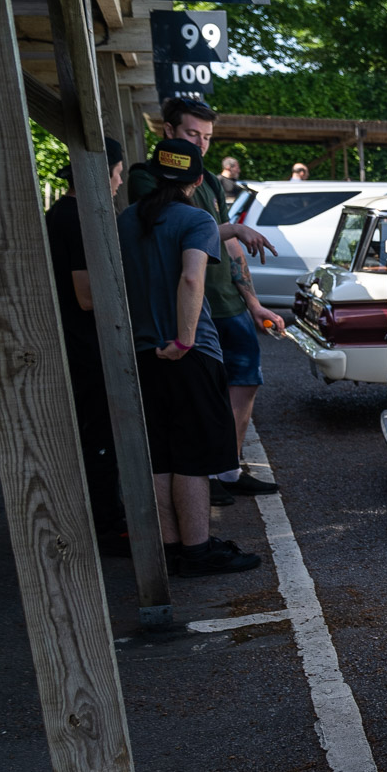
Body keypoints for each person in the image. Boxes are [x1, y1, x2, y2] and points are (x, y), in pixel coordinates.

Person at [128, 97, 285, 502]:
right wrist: (230, 228)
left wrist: (253, 302)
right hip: (189, 307)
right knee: (199, 397)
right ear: (168, 131)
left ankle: (228, 469)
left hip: (228, 303)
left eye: (207, 137)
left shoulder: (210, 181)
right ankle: (205, 474)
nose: (200, 144)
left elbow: (233, 245)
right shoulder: (147, 177)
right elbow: (171, 237)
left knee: (245, 382)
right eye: (191, 134)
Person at [116, 140, 261, 577]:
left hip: (140, 354)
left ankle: (173, 547)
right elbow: (192, 276)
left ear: (154, 175)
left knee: (160, 455)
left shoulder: (126, 220)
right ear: (198, 180)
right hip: (188, 354)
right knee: (193, 457)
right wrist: (182, 339)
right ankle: (198, 550)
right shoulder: (196, 218)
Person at [44, 138, 130, 556]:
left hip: (77, 344)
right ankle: (108, 528)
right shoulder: (76, 218)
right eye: (116, 173)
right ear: (101, 173)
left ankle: (105, 519)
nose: (118, 183)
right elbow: (87, 296)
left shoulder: (65, 212)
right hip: (84, 347)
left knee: (96, 435)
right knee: (99, 437)